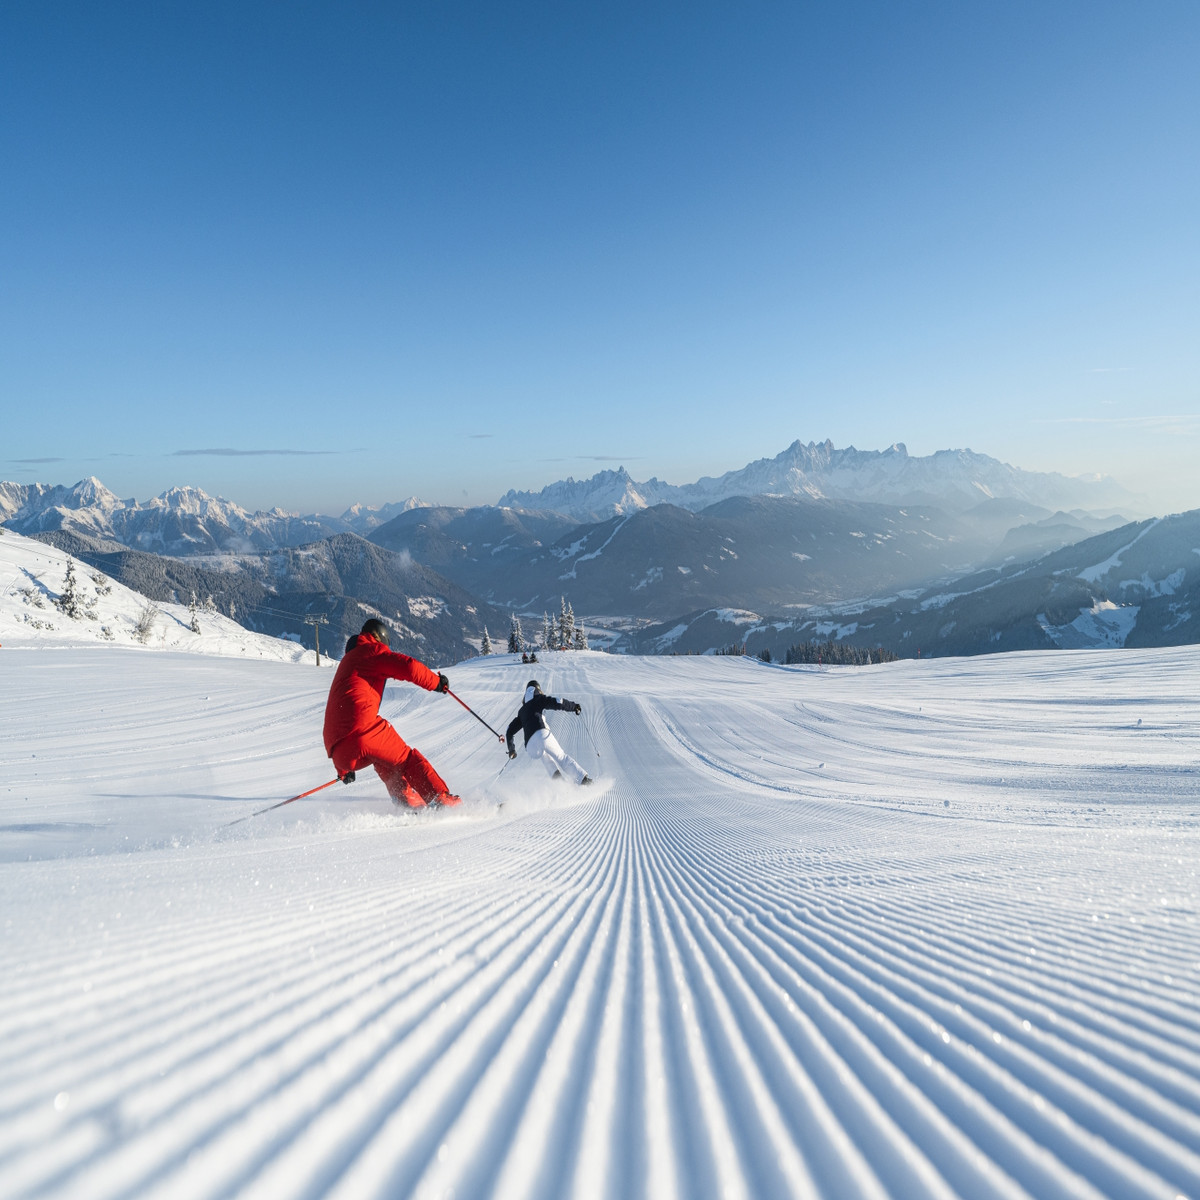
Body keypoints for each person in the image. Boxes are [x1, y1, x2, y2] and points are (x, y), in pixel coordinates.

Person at [323, 618, 461, 808]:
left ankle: (405, 801)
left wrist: (343, 768)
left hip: (338, 752)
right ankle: (440, 799)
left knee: (383, 758)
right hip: (362, 733)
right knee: (406, 759)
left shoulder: (347, 662)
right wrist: (436, 683)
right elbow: (410, 667)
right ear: (380, 638)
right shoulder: (372, 651)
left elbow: (336, 719)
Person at [505, 679, 592, 785]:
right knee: (561, 757)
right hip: (541, 734)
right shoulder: (539, 699)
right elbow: (558, 702)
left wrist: (511, 750)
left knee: (546, 757)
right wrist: (574, 707)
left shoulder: (522, 711)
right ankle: (583, 780)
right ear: (538, 689)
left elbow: (509, 731)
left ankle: (560, 785)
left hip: (530, 747)